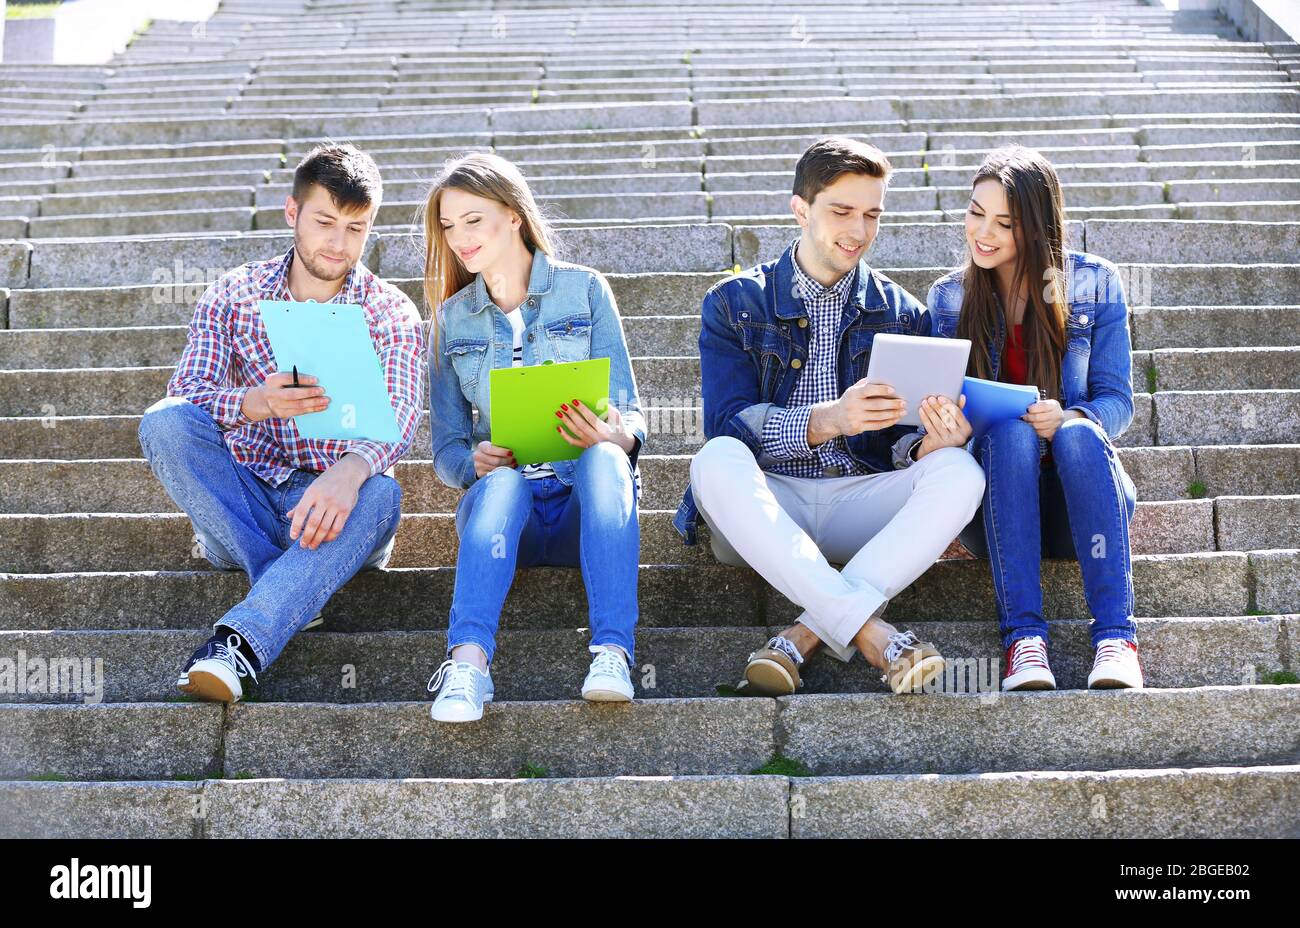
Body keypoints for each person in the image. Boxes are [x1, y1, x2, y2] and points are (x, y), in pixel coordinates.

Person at [673, 136, 986, 696]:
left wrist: (930, 446)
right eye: (842, 211)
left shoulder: (902, 313)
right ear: (801, 209)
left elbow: (900, 443)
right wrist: (829, 419)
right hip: (765, 507)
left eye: (872, 215)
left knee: (961, 472)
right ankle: (875, 635)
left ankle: (802, 636)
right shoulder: (733, 303)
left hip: (860, 504)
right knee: (714, 458)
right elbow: (727, 425)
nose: (859, 231)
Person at [139, 143, 425, 703]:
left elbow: (401, 415)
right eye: (324, 222)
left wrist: (348, 472)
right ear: (292, 213)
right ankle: (290, 583)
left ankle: (239, 644)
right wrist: (255, 403)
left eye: (356, 228)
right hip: (241, 506)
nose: (338, 243)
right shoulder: (233, 293)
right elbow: (188, 397)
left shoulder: (390, 310)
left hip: (334, 514)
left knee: (383, 495)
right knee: (165, 422)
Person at [424, 152, 647, 723]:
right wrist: (473, 461)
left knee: (603, 459)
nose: (459, 239)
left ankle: (612, 654)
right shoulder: (453, 320)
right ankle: (468, 666)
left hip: (583, 511)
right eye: (449, 226)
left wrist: (616, 437)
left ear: (514, 217)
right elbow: (446, 448)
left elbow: (630, 413)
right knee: (501, 486)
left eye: (474, 220)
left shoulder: (585, 292)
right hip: (507, 519)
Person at [927, 144, 1142, 691]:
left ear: (1039, 226)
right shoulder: (950, 298)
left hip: (1083, 509)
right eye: (976, 213)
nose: (984, 233)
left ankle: (1116, 638)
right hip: (997, 513)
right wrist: (947, 431)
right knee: (1010, 437)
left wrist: (1068, 415)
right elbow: (929, 411)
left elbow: (1118, 403)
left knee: (1077, 435)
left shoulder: (1095, 283)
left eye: (1005, 222)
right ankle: (1024, 642)